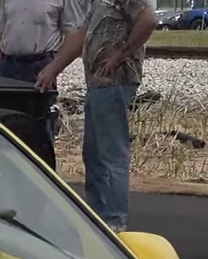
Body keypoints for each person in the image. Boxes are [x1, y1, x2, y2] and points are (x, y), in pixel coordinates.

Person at [36, 0, 156, 232]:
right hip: (98, 83)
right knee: (94, 152)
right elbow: (81, 34)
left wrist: (122, 54)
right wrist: (54, 68)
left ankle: (113, 219)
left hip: (114, 81)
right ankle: (97, 216)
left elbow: (148, 20)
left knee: (109, 152)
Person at [0, 0, 83, 169]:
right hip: (8, 67)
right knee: (4, 130)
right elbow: (1, 31)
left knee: (38, 136)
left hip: (39, 68)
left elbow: (75, 36)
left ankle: (42, 180)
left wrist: (54, 69)